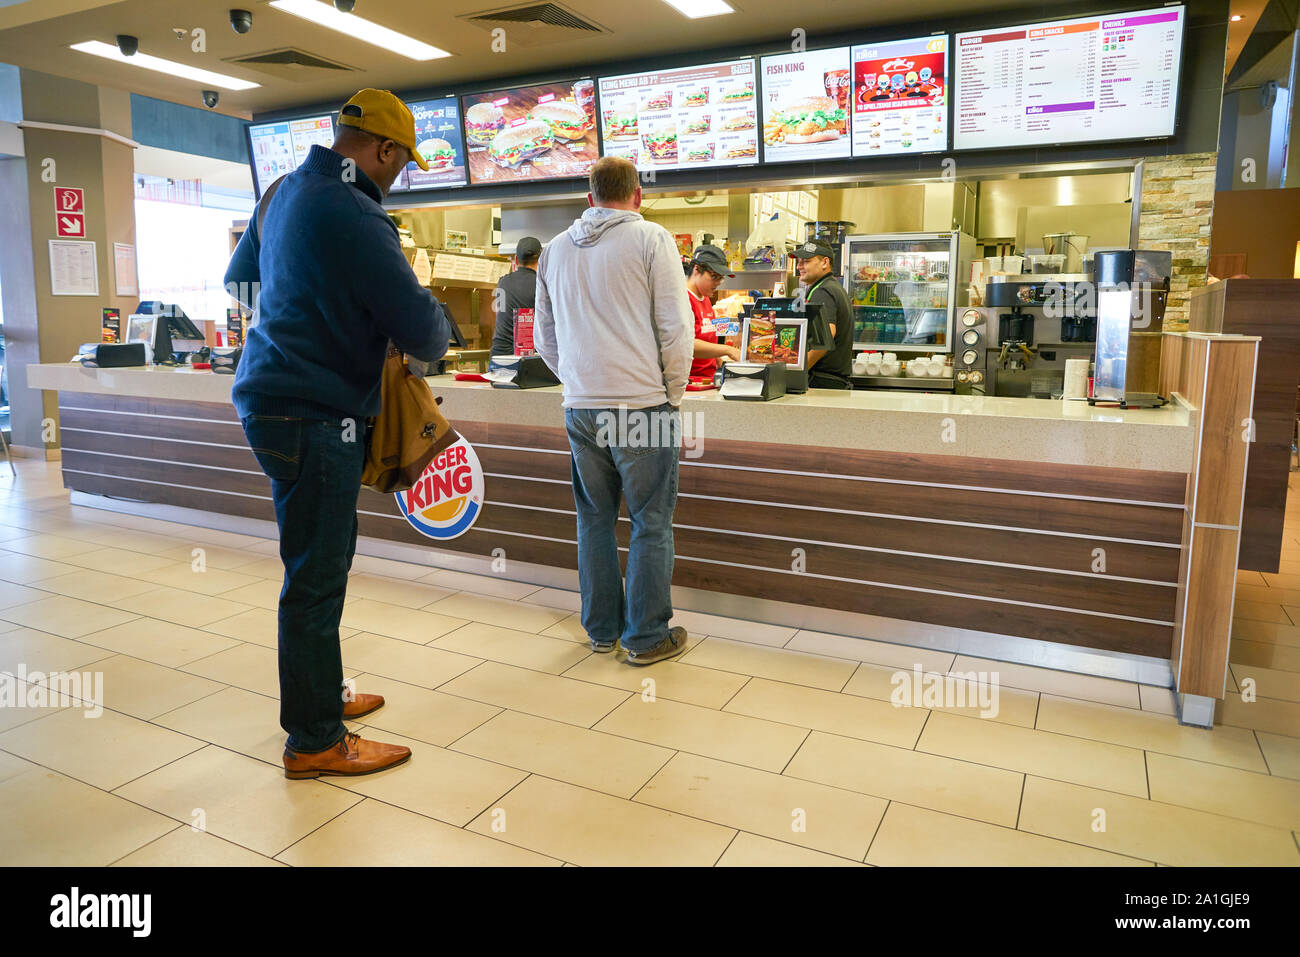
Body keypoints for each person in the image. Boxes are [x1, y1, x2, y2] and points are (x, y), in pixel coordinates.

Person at [224, 89, 450, 779]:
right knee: (316, 577)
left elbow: (242, 286)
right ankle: (315, 739)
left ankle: (323, 698)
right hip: (315, 411)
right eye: (402, 162)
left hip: (274, 397)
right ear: (382, 150)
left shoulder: (285, 192)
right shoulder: (356, 211)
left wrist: (309, 311)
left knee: (320, 562)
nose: (399, 175)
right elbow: (426, 333)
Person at [533, 156, 693, 665]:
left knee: (594, 520)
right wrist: (672, 391)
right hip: (641, 405)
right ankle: (645, 638)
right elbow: (675, 326)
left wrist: (580, 381)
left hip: (580, 408)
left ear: (589, 198)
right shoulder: (651, 239)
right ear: (637, 197)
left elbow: (545, 338)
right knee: (650, 521)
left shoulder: (553, 250)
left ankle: (602, 631)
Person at [793, 240, 854, 389]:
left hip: (823, 381)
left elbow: (827, 335)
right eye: (799, 261)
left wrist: (799, 369)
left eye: (806, 261)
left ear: (825, 262)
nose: (799, 266)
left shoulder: (822, 291)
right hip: (832, 381)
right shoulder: (832, 287)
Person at [685, 244, 741, 380]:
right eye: (714, 276)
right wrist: (728, 350)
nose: (718, 283)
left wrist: (719, 361)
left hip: (707, 379)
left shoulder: (705, 298)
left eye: (721, 278)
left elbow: (706, 334)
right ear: (697, 269)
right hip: (690, 381)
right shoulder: (682, 299)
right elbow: (686, 343)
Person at [490, 236, 542, 356]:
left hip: (498, 355)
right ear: (541, 260)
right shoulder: (542, 285)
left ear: (516, 260)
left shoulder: (502, 282)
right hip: (526, 357)